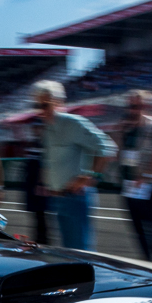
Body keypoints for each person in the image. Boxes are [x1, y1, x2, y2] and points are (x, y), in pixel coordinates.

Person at [33, 79, 116, 251]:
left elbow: (107, 147)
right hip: (57, 197)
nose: (41, 111)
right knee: (68, 252)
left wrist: (90, 177)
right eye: (37, 105)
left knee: (80, 253)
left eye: (45, 105)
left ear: (58, 102)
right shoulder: (47, 128)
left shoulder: (73, 122)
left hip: (75, 197)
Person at [118, 89, 152, 264]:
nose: (133, 110)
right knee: (137, 228)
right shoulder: (126, 128)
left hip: (149, 184)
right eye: (130, 106)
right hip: (129, 184)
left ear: (148, 106)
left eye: (137, 106)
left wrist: (144, 176)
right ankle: (148, 263)